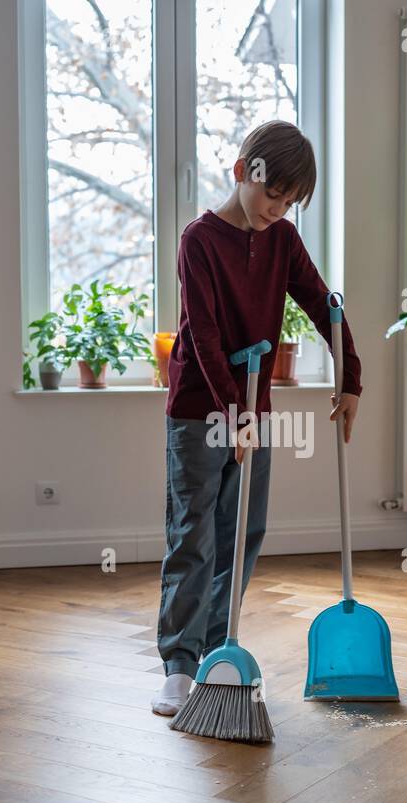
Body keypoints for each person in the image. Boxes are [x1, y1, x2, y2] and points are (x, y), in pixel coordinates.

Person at [152, 119, 364, 716]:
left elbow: (325, 304)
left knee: (243, 533)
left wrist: (351, 375)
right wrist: (235, 414)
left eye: (291, 202)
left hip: (252, 410)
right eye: (274, 194)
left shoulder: (282, 242)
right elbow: (209, 335)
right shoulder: (199, 241)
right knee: (192, 534)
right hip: (200, 409)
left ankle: (221, 650)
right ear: (243, 171)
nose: (280, 209)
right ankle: (178, 664)